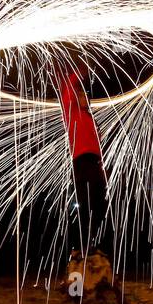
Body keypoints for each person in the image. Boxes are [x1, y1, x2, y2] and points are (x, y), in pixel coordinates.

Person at [55, 60, 111, 255]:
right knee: (86, 206)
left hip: (95, 164)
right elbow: (68, 88)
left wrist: (103, 171)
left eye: (85, 95)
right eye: (80, 94)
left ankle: (91, 244)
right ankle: (81, 247)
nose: (83, 97)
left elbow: (98, 148)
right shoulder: (72, 113)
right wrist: (81, 70)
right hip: (81, 162)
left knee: (100, 205)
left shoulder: (90, 119)